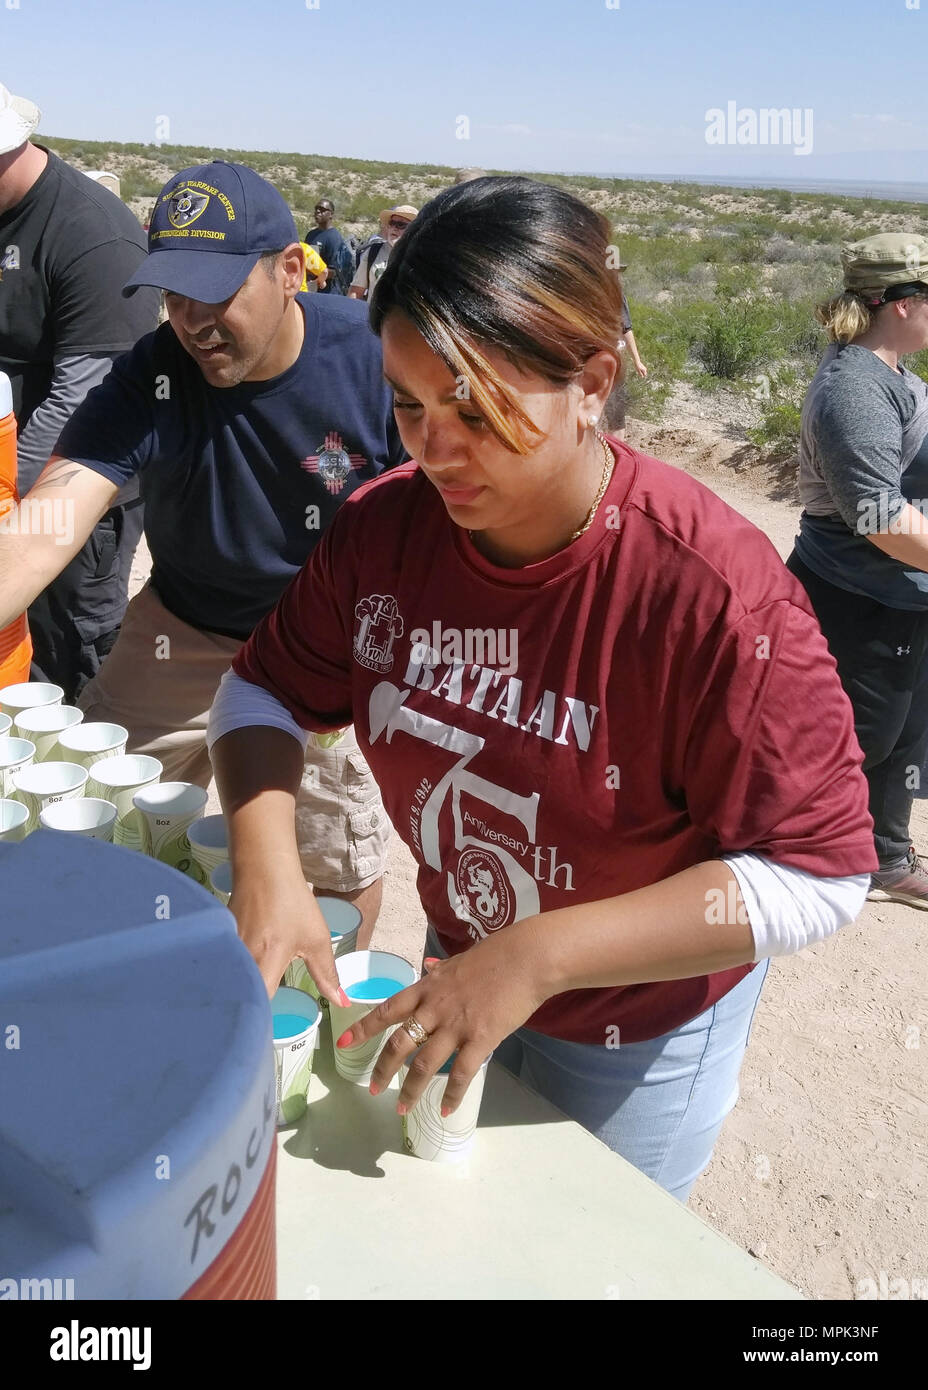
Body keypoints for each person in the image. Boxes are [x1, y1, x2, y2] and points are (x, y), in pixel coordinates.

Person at [208, 176, 876, 1203]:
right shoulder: (384, 531)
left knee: (587, 1246)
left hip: (636, 1024)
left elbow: (817, 874)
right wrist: (269, 866)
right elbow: (259, 694)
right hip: (467, 955)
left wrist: (538, 955)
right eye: (407, 402)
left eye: (473, 405)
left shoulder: (708, 588)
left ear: (592, 379)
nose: (432, 448)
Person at [0, 160, 406, 939]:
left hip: (323, 647)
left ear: (290, 271)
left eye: (215, 291)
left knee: (326, 863)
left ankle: (308, 1020)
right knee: (95, 816)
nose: (192, 320)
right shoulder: (151, 372)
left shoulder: (375, 360)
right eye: (173, 294)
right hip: (178, 632)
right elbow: (54, 517)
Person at [0, 82, 159, 701]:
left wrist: (8, 499)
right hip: (9, 482)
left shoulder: (93, 236)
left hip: (75, 497)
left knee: (69, 659)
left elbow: (83, 403)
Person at [786, 232, 928, 910]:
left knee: (902, 736)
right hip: (855, 597)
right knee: (853, 739)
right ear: (899, 304)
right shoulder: (855, 389)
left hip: (902, 594)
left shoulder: (896, 375)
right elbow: (879, 516)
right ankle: (797, 862)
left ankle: (886, 860)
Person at [602, 268, 647, 441]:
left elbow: (626, 329)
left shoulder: (615, 297)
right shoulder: (587, 296)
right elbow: (627, 329)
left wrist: (637, 360)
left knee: (616, 411)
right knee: (610, 413)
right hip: (600, 358)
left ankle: (614, 454)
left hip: (611, 358)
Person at [348, 205, 417, 302]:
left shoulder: (420, 259)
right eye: (392, 223)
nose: (394, 228)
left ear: (414, 230)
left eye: (401, 225)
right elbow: (356, 291)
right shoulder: (373, 251)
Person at [304, 198, 353, 295]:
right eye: (316, 209)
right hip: (309, 289)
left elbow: (335, 272)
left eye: (322, 209)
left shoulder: (334, 237)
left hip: (326, 292)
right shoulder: (311, 234)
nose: (318, 211)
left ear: (331, 214)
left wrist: (315, 272)